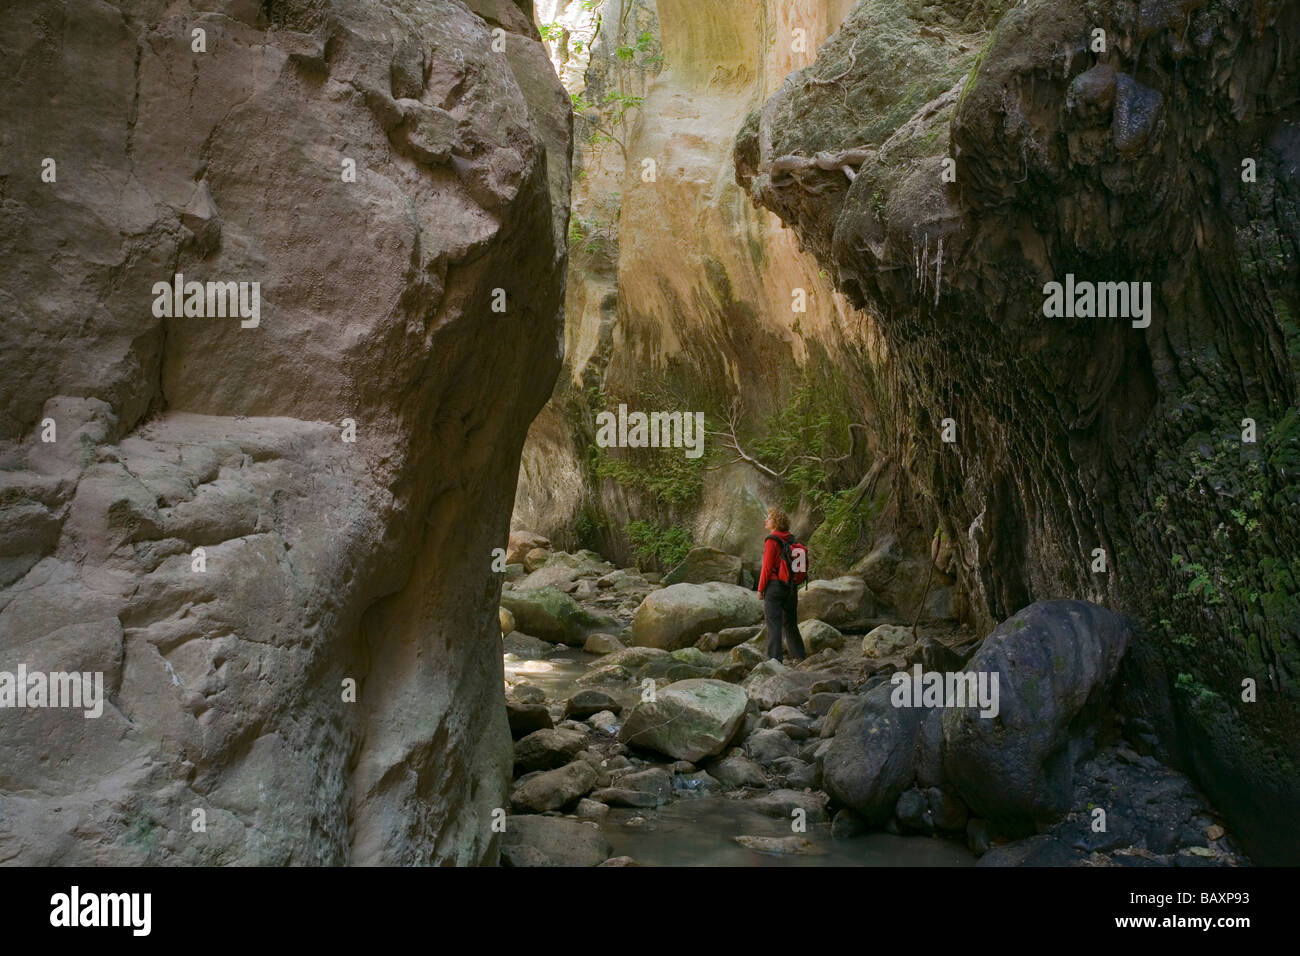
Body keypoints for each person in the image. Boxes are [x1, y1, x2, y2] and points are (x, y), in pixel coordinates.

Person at [757, 506, 805, 663]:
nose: (766, 520)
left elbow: (767, 567)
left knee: (773, 623)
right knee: (791, 623)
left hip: (775, 587)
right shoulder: (792, 539)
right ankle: (800, 655)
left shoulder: (772, 541)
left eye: (769, 518)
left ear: (776, 522)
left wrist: (760, 589)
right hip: (791, 587)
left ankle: (774, 659)